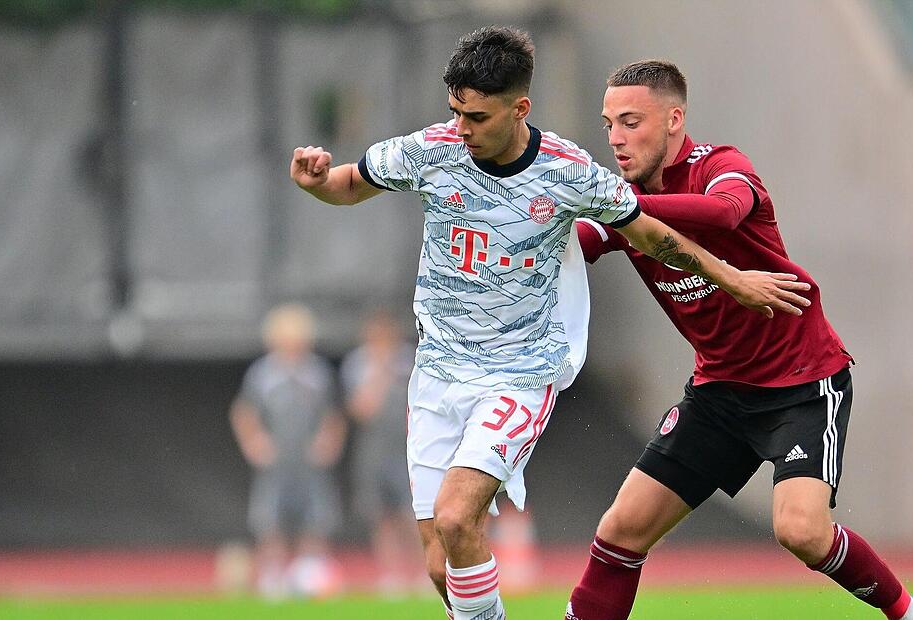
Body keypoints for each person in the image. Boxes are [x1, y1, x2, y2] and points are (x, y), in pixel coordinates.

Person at [289, 27, 811, 620]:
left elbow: (650, 234)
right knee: (440, 561)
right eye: (456, 112)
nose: (462, 129)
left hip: (519, 373)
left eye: (478, 117)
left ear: (520, 109)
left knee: (458, 518)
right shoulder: (431, 149)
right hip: (437, 373)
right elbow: (350, 184)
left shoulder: (567, 171)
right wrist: (318, 182)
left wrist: (732, 278)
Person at [563, 60, 913, 620]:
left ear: (674, 119)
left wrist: (622, 208)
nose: (616, 138)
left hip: (801, 382)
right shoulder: (623, 202)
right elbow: (573, 242)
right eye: (608, 124)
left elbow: (723, 213)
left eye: (631, 122)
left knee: (802, 532)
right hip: (719, 392)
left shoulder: (719, 166)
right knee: (621, 530)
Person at [229, 303, 345, 598]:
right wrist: (255, 442)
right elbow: (244, 412)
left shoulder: (318, 373)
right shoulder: (262, 374)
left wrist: (328, 442)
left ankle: (310, 576)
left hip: (309, 462)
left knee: (316, 520)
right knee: (270, 521)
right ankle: (272, 579)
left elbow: (333, 415)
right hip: (276, 462)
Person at [339, 309, 420, 592]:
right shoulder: (357, 365)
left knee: (413, 515)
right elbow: (361, 410)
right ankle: (391, 575)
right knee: (382, 516)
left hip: (408, 448)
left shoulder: (410, 360)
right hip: (374, 451)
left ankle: (422, 573)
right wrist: (380, 374)